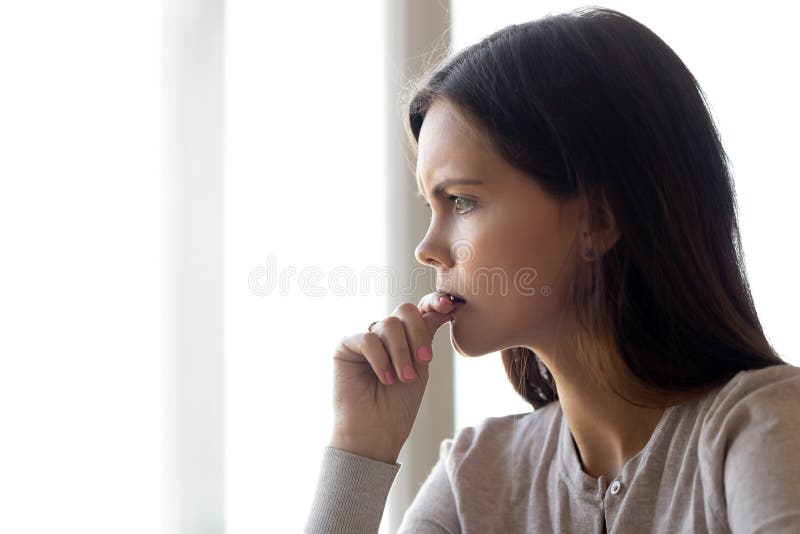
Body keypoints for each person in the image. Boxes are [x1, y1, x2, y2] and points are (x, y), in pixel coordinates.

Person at [304, 6, 800, 533]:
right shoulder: (474, 478)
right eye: (432, 205)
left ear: (600, 219)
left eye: (462, 201)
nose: (428, 248)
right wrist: (360, 449)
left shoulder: (764, 429)